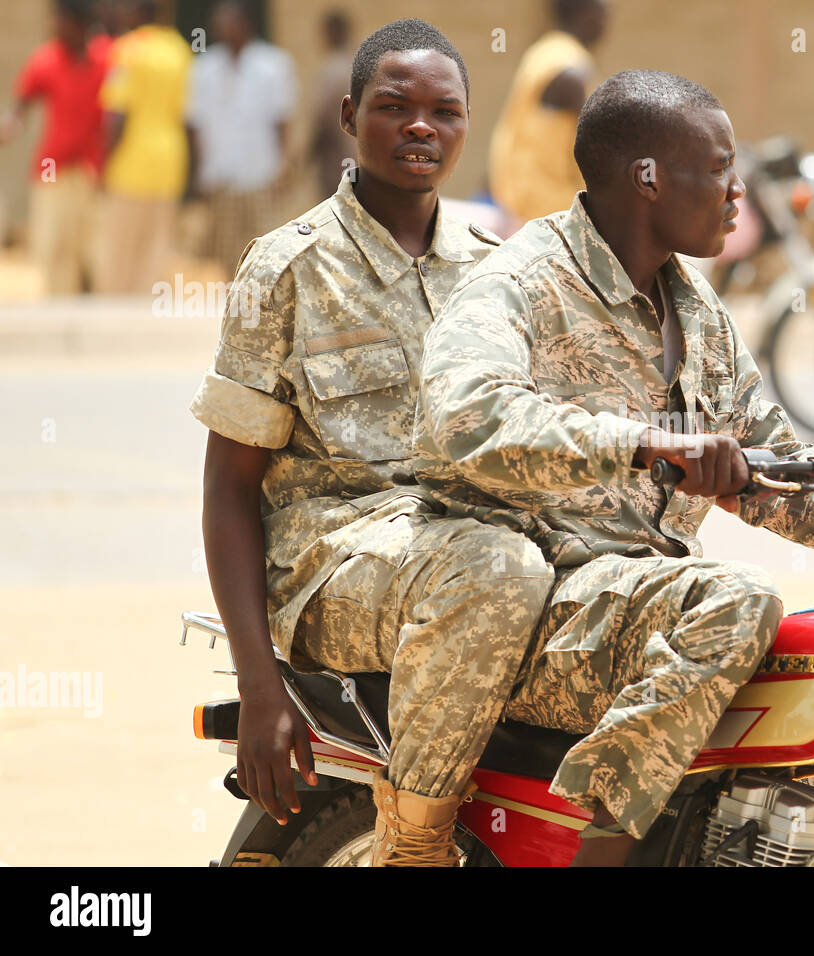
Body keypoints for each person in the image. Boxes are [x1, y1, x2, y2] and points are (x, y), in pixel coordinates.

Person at [416, 69, 814, 866]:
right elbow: (463, 415)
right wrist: (642, 444)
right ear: (647, 177)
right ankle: (606, 843)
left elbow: (780, 478)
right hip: (531, 610)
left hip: (638, 608)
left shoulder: (695, 309)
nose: (736, 193)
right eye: (719, 168)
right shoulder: (520, 281)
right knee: (740, 599)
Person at [188, 19, 554, 867]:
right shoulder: (286, 267)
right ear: (351, 116)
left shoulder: (498, 270)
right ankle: (411, 851)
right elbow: (229, 488)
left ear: (466, 126)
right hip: (332, 567)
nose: (421, 127)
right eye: (395, 107)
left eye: (444, 111)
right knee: (502, 569)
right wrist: (259, 683)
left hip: (468, 542)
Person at [0, 0, 110, 295]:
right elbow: (21, 106)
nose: (55, 28)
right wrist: (9, 127)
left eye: (62, 21)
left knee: (90, 248)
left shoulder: (105, 58)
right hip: (53, 167)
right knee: (52, 245)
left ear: (80, 24)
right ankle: (59, 306)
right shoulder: (46, 59)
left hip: (91, 168)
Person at [184, 0, 297, 275]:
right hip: (221, 172)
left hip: (260, 172)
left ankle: (261, 305)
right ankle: (232, 302)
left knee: (263, 241)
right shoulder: (204, 67)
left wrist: (284, 165)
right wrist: (199, 171)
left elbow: (281, 120)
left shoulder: (274, 64)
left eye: (229, 22)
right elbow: (196, 123)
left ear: (246, 24)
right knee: (225, 247)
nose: (223, 29)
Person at [96, 0, 192, 295]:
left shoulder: (127, 49)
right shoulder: (180, 51)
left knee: (120, 246)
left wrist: (104, 161)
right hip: (170, 158)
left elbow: (118, 114)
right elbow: (187, 113)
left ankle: (114, 307)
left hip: (131, 160)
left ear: (138, 11)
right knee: (156, 245)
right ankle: (146, 307)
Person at [487, 0, 608, 225]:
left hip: (523, 201)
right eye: (603, 10)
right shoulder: (570, 68)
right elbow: (598, 144)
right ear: (582, 10)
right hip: (552, 209)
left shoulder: (543, 53)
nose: (606, 20)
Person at [310, 9, 356, 201]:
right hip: (361, 158)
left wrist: (307, 155)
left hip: (338, 157)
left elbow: (323, 118)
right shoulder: (360, 64)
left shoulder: (334, 68)